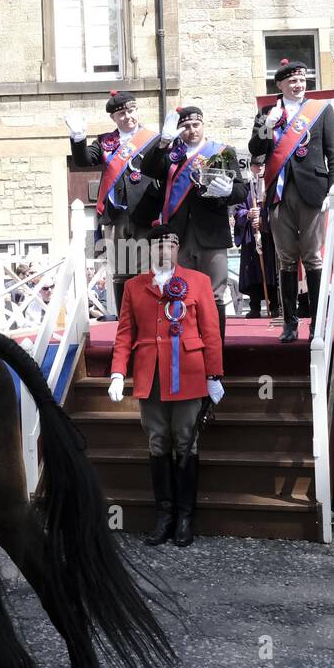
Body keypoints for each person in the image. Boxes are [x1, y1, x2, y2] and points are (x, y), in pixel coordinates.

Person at [108, 225, 224, 547]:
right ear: (149, 250)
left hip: (188, 374)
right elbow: (124, 333)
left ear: (177, 249)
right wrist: (118, 371)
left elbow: (211, 332)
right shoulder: (134, 286)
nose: (163, 250)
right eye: (157, 245)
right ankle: (164, 516)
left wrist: (214, 374)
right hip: (150, 375)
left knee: (186, 440)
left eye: (169, 244)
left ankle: (186, 517)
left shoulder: (198, 282)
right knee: (158, 442)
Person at [248, 59, 334, 343]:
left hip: (312, 191)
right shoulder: (267, 113)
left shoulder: (320, 110)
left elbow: (333, 152)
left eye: (301, 80)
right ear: (279, 85)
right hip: (279, 193)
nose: (298, 85)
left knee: (313, 258)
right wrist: (267, 123)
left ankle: (317, 322)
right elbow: (256, 149)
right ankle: (289, 323)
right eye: (291, 81)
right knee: (286, 259)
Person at [138, 105, 247, 344]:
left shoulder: (221, 151)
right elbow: (147, 169)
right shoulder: (171, 155)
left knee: (215, 295)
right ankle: (189, 346)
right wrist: (163, 142)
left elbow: (241, 190)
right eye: (185, 127)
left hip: (212, 233)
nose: (191, 130)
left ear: (203, 125)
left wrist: (229, 191)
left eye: (195, 125)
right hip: (179, 236)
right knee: (182, 292)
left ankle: (216, 349)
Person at [65, 91, 163, 317]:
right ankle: (125, 320)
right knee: (121, 271)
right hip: (116, 216)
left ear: (137, 110)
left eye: (131, 111)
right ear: (113, 118)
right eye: (121, 113)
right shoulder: (105, 141)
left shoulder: (153, 139)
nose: (128, 116)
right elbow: (83, 161)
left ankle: (148, 319)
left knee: (147, 271)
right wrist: (78, 137)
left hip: (146, 214)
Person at [234, 155, 278, 319]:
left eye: (261, 165)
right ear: (251, 167)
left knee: (271, 270)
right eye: (255, 165)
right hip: (251, 237)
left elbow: (277, 208)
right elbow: (237, 210)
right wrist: (247, 214)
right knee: (253, 270)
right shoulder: (246, 188)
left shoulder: (272, 186)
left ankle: (274, 305)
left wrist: (263, 218)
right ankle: (254, 307)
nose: (259, 168)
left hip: (269, 236)